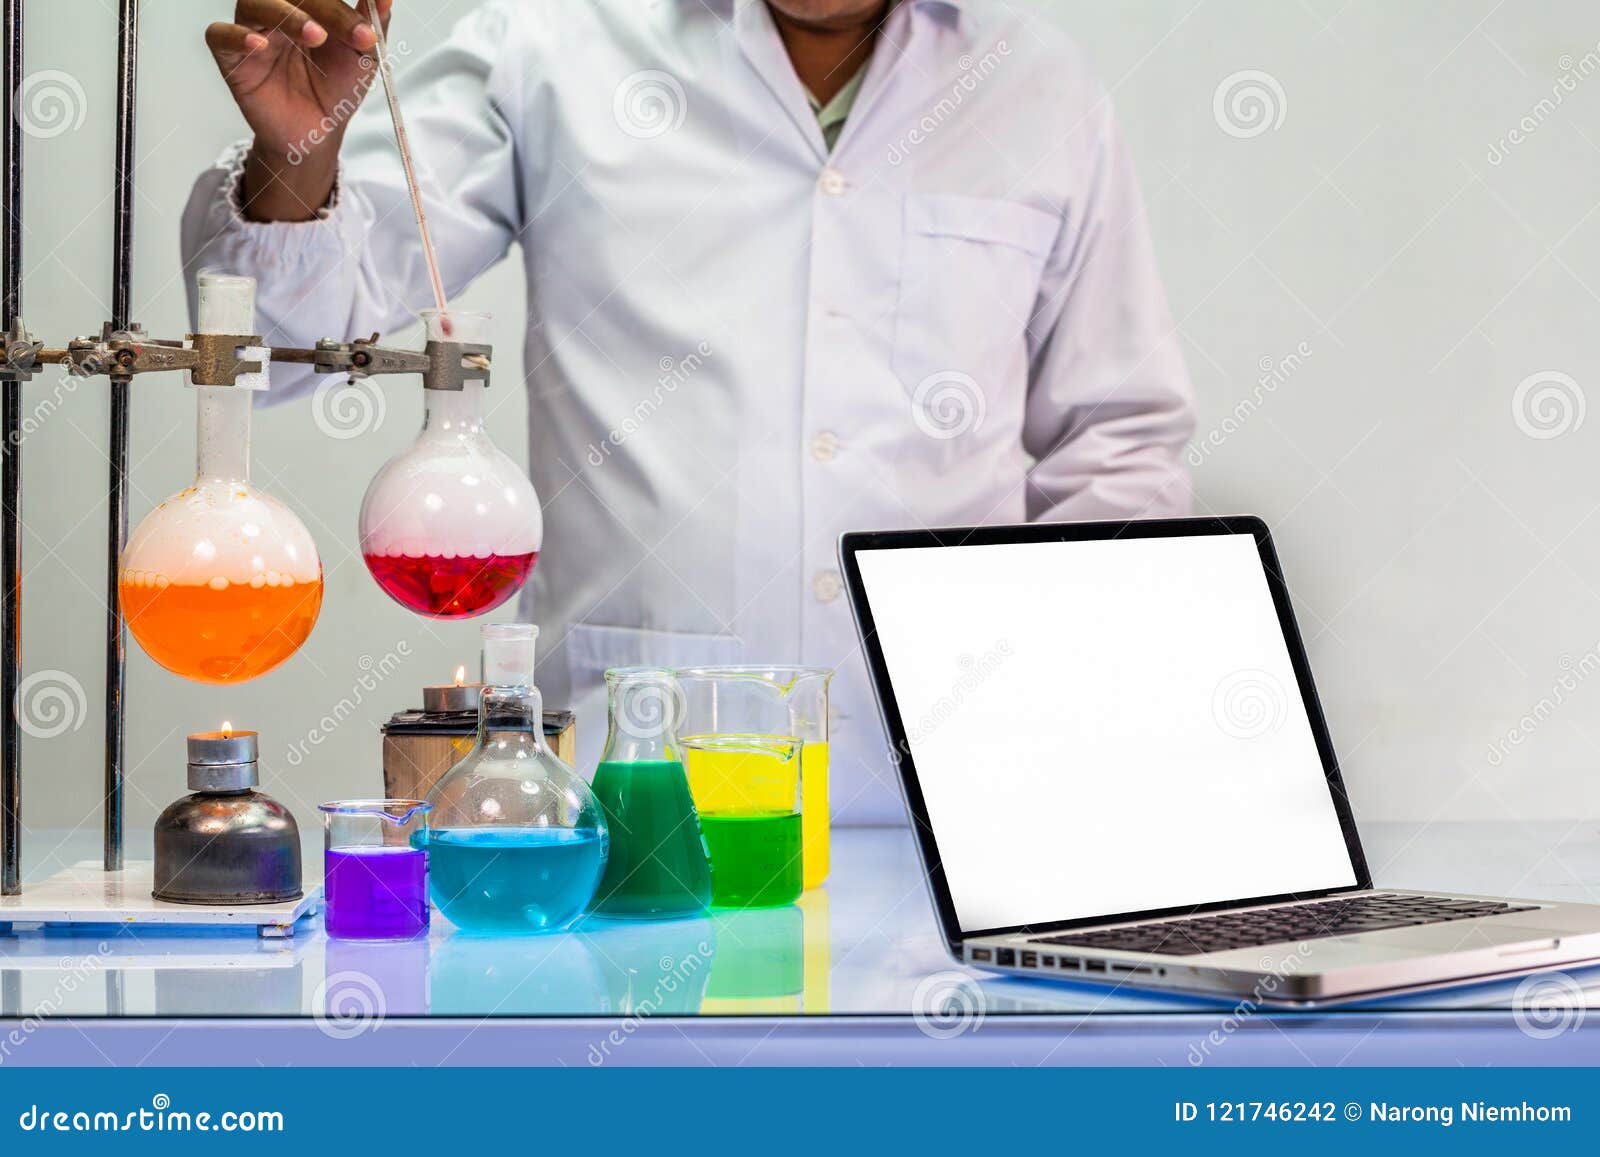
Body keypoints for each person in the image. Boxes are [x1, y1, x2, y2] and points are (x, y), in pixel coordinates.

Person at [184, 0, 1196, 824]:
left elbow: (1116, 437)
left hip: (962, 809)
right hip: (636, 797)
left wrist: (1073, 733)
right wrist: (300, 151)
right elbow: (280, 343)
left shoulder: (1037, 84)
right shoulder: (552, 44)